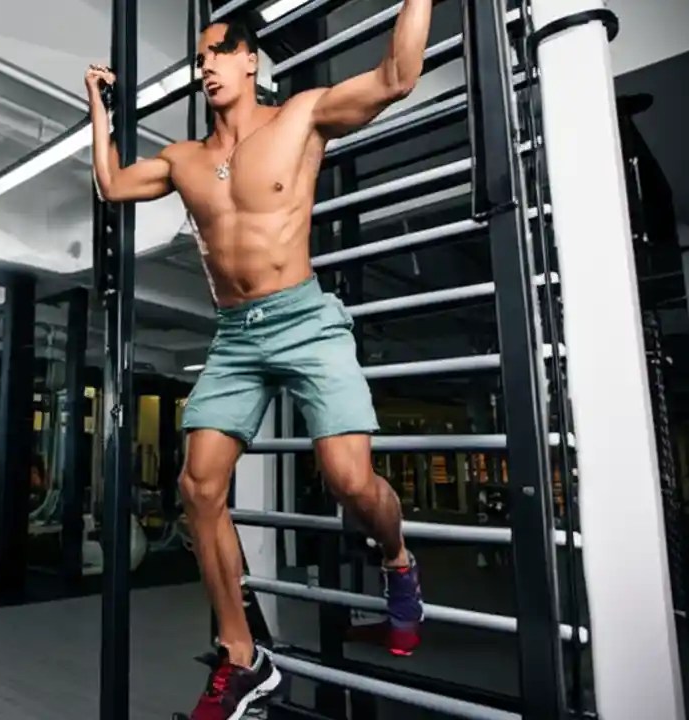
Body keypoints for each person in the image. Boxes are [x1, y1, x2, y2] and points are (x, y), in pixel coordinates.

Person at [84, 2, 432, 718]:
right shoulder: (184, 159)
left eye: (218, 53)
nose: (206, 67)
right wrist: (99, 108)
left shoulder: (300, 118)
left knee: (350, 481)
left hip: (306, 320)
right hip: (235, 335)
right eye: (200, 59)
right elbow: (112, 184)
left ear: (250, 60)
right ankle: (243, 657)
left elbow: (397, 76)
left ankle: (398, 559)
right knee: (197, 486)